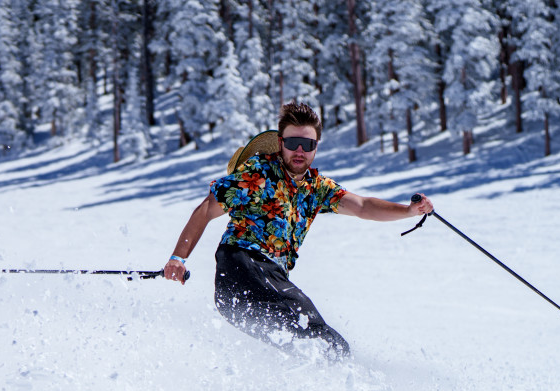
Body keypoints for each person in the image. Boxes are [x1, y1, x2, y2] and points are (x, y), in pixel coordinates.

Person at [162, 102, 433, 360]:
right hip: (244, 271)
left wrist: (408, 211)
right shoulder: (258, 173)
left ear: (316, 147)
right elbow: (207, 209)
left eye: (308, 144)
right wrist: (178, 257)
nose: (299, 150)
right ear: (281, 143)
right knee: (326, 344)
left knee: (311, 350)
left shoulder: (316, 188)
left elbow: (362, 206)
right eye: (292, 143)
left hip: (260, 288)